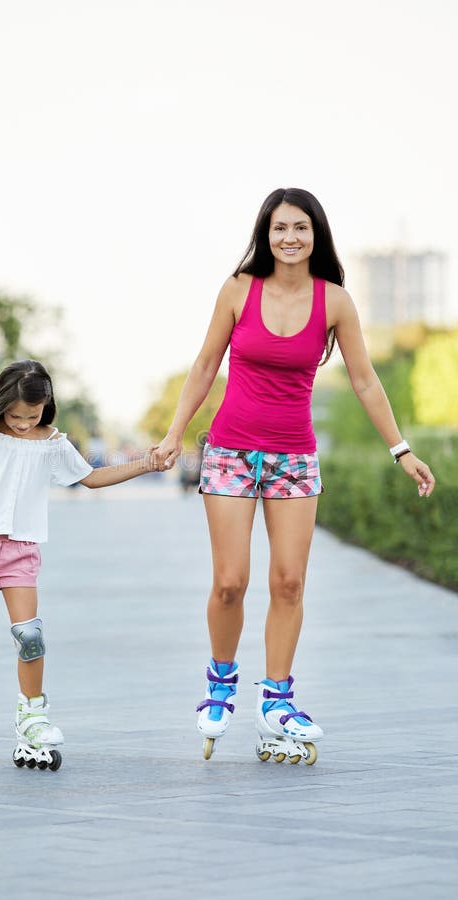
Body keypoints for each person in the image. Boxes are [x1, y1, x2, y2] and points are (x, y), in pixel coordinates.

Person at [154, 188, 435, 764]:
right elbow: (205, 365)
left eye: (300, 228)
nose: (290, 237)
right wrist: (174, 432)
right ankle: (221, 683)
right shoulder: (238, 290)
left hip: (294, 459)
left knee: (288, 582)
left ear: (316, 235)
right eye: (280, 227)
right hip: (231, 452)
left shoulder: (335, 302)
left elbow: (364, 380)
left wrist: (401, 449)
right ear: (266, 234)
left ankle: (277, 699)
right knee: (230, 581)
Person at [0, 359, 163, 771]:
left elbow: (90, 478)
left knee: (30, 636)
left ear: (46, 406)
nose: (25, 423)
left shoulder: (52, 443)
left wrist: (146, 464)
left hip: (21, 548)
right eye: (16, 416)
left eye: (33, 415)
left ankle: (32, 718)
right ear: (1, 403)